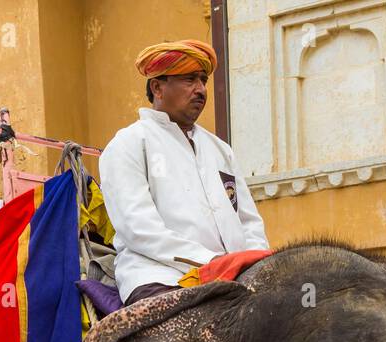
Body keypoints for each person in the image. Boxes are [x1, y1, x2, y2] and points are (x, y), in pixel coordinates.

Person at [98, 39, 270, 307]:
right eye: (190, 80)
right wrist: (210, 262)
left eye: (204, 80)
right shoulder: (128, 143)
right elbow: (139, 229)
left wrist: (257, 264)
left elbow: (248, 222)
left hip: (235, 280)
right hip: (162, 278)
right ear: (157, 87)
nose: (201, 89)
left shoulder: (220, 150)